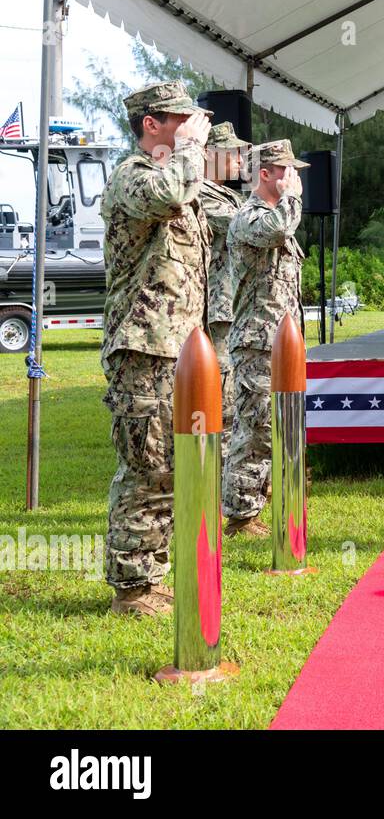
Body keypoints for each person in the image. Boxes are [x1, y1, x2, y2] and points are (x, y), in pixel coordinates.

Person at [100, 81, 212, 616]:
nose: (192, 128)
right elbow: (169, 193)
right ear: (152, 124)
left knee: (171, 465)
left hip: (178, 350)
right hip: (143, 348)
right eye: (181, 119)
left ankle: (153, 574)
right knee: (146, 466)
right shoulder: (132, 177)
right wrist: (190, 149)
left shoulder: (181, 179)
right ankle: (131, 588)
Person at [223, 140, 307, 536]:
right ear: (265, 174)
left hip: (280, 340)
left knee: (275, 426)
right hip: (257, 339)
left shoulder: (276, 214)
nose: (294, 179)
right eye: (286, 172)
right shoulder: (251, 217)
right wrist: (291, 200)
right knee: (254, 428)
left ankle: (260, 498)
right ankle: (240, 514)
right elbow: (277, 230)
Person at [199, 121, 250, 454]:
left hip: (234, 303)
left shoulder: (229, 194)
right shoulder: (201, 192)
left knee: (235, 390)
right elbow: (245, 227)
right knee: (222, 392)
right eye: (232, 154)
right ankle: (217, 470)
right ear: (210, 155)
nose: (240, 162)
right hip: (217, 307)